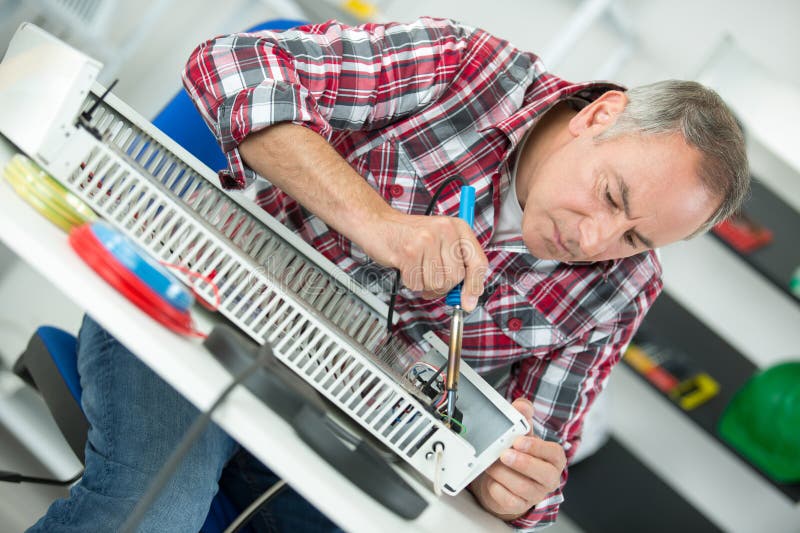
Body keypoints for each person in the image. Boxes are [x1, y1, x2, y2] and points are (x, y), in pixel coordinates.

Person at [29, 16, 748, 532]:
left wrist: (519, 485)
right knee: (156, 514)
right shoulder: (469, 69)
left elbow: (538, 461)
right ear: (601, 115)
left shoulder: (623, 287)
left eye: (634, 238)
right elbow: (231, 66)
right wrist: (377, 222)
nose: (595, 239)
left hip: (341, 432)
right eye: (612, 197)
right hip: (204, 318)